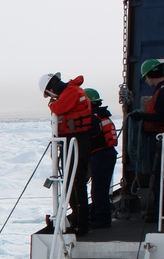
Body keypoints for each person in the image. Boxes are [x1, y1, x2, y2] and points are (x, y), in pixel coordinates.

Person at [41, 72, 93, 235]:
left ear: (51, 89)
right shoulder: (73, 91)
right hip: (75, 142)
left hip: (76, 142)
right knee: (74, 183)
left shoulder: (71, 92)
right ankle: (79, 220)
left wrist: (52, 104)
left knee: (75, 183)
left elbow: (58, 108)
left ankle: (81, 224)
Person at [129, 58, 164, 223]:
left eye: (145, 78)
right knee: (157, 174)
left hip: (160, 139)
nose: (146, 81)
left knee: (159, 175)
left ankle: (161, 211)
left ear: (150, 75)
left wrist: (143, 116)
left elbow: (163, 116)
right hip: (158, 138)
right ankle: (159, 210)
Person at [85, 88, 119, 229]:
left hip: (100, 156)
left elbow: (88, 137)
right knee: (100, 187)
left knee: (98, 189)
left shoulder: (92, 119)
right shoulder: (103, 116)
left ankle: (102, 218)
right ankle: (96, 214)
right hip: (108, 154)